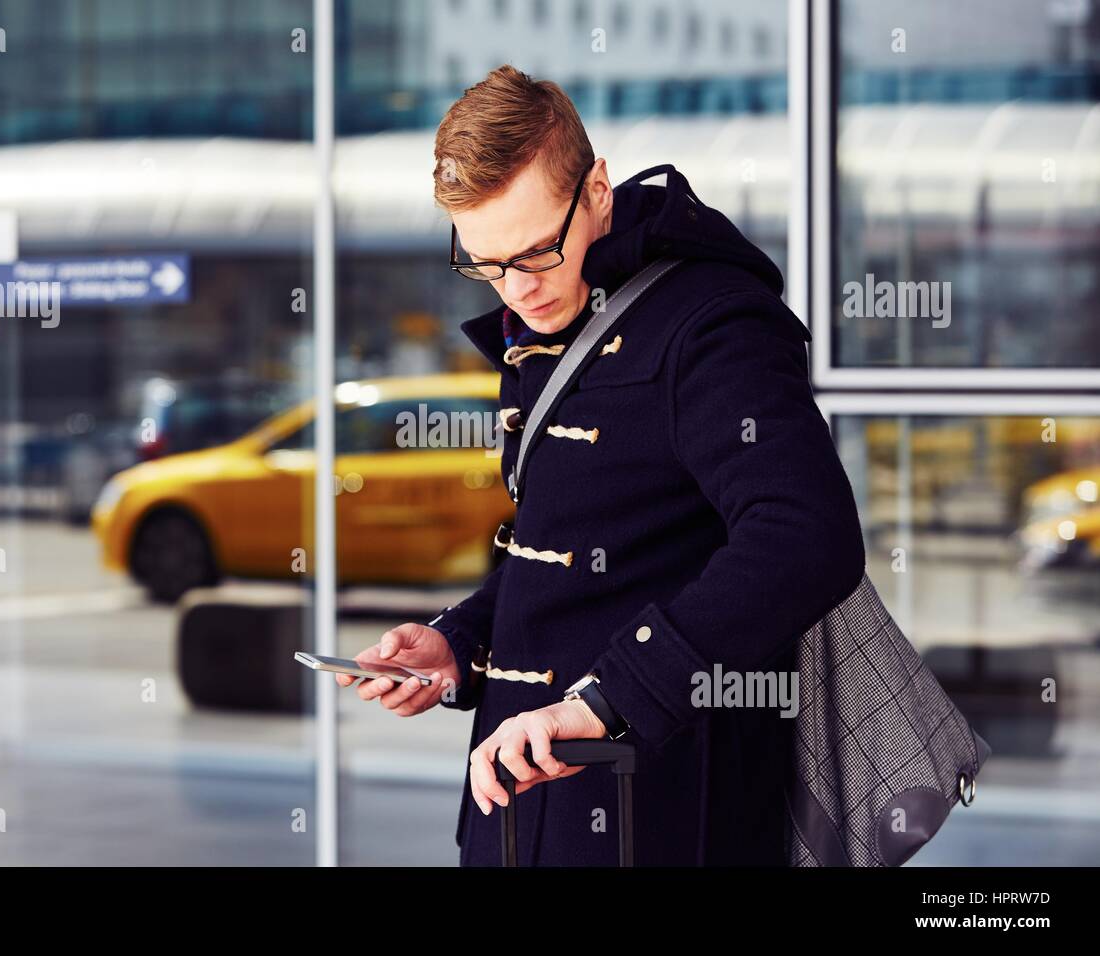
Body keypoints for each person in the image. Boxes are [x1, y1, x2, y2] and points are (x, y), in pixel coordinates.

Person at [336, 64, 866, 866]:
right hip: (519, 803)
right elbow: (573, 553)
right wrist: (459, 645)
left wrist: (606, 700)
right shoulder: (551, 314)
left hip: (662, 809)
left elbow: (805, 537)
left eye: (537, 251)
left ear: (598, 192)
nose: (516, 289)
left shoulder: (711, 323)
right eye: (486, 264)